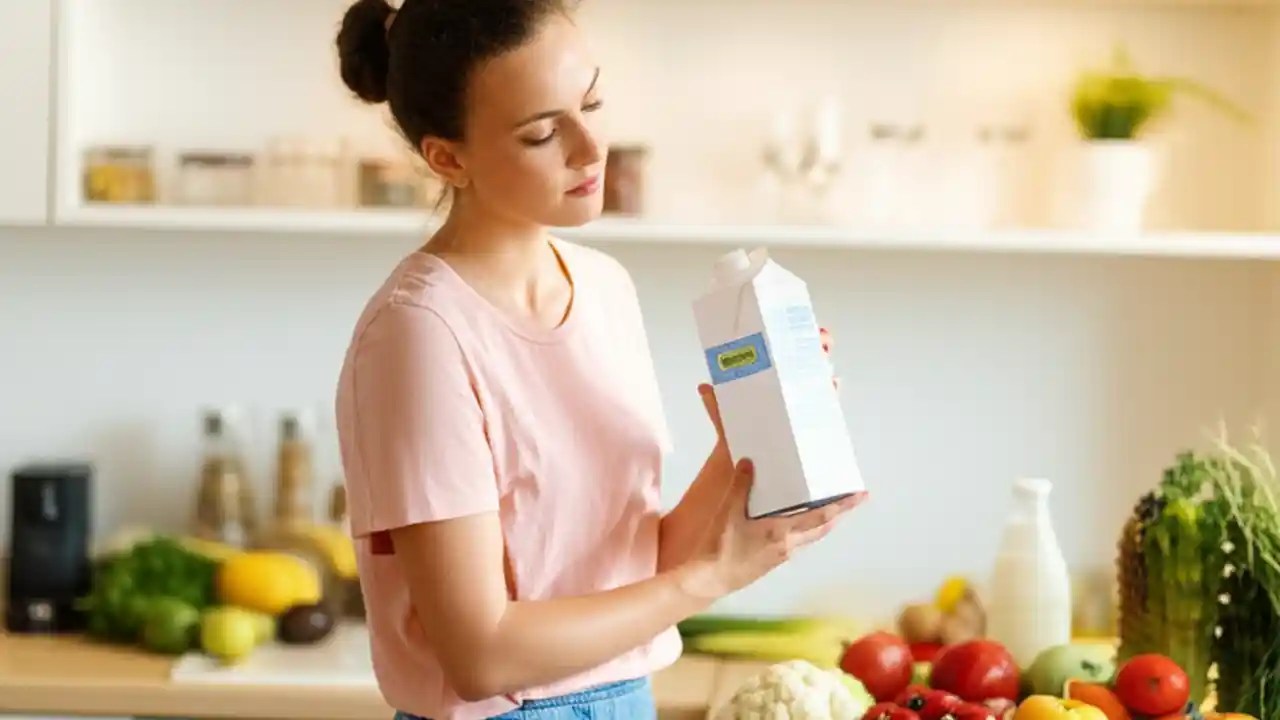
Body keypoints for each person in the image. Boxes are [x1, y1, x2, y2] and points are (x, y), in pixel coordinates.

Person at [332, 1, 867, 718]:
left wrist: (743, 440)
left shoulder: (605, 288)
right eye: (543, 133)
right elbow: (479, 654)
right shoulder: (419, 335)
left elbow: (637, 571)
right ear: (447, 156)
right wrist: (713, 579)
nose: (590, 149)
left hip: (627, 700)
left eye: (593, 103)